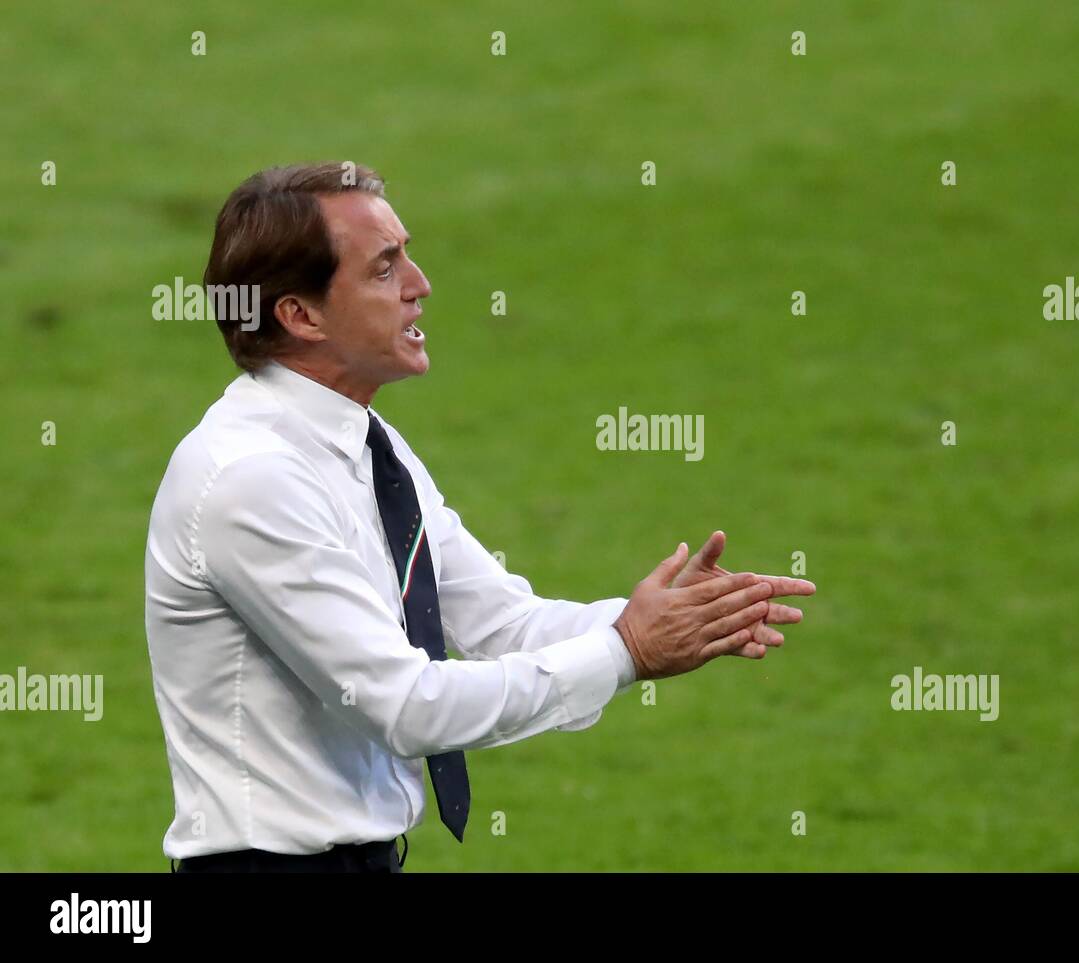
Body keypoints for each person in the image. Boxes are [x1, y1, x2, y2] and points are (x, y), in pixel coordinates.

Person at [144, 163, 815, 873]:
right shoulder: (249, 480)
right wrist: (627, 650)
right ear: (300, 315)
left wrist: (667, 618)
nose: (419, 283)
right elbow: (407, 706)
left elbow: (503, 622)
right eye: (384, 268)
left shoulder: (369, 446)